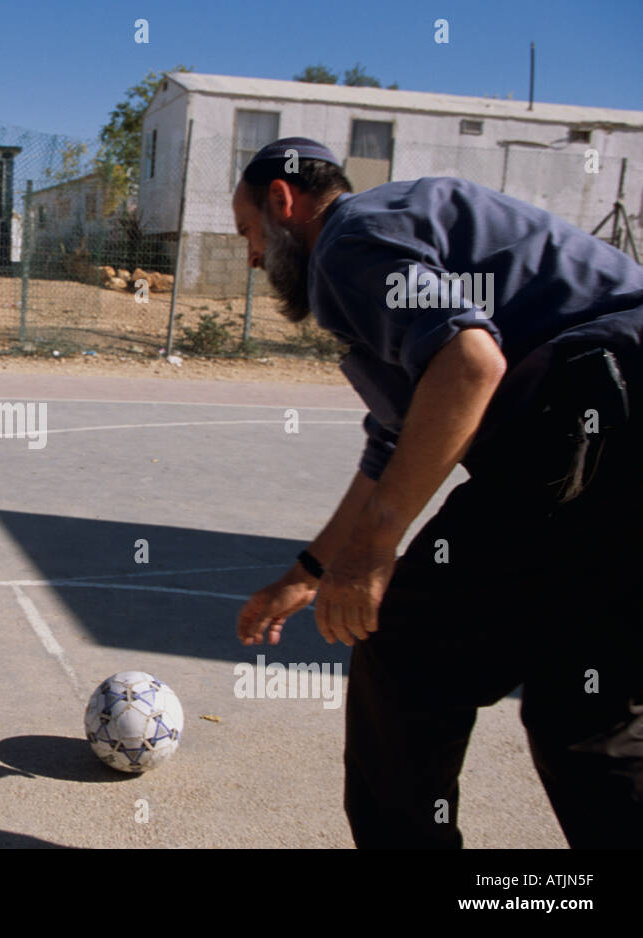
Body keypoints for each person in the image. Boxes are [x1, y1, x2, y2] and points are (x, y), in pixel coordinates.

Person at [232, 137, 643, 848]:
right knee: (587, 712)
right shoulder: (409, 220)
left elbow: (468, 361)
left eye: (247, 233)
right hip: (623, 432)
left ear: (282, 201)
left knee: (406, 654)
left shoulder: (345, 240)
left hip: (598, 406)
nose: (252, 259)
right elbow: (395, 447)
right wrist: (308, 573)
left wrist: (371, 556)